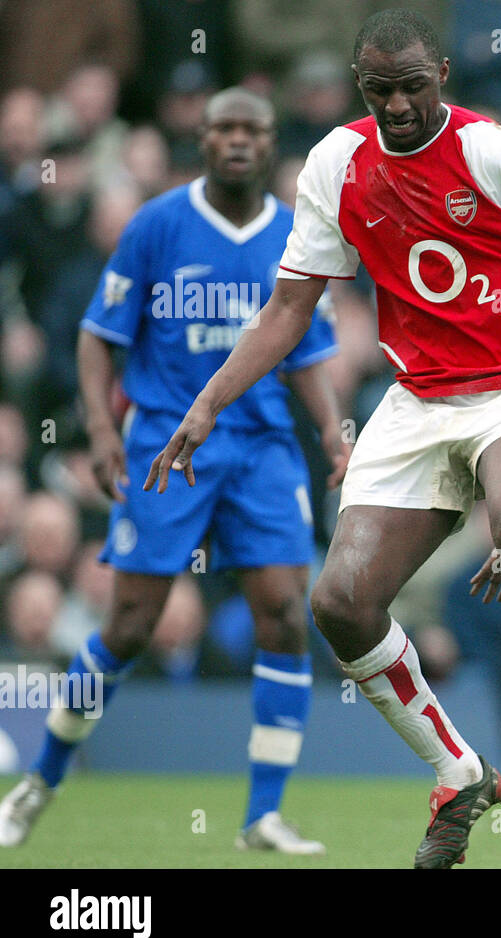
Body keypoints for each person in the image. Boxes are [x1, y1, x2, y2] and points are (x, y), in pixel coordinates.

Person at [144, 9, 501, 869]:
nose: (397, 105)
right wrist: (206, 402)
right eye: (379, 89)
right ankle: (457, 771)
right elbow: (291, 307)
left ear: (440, 72)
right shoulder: (336, 163)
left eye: (411, 86)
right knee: (339, 601)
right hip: (417, 397)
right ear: (362, 85)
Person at [0, 88, 345, 854]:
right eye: (222, 127)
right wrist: (98, 425)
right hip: (166, 444)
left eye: (252, 129)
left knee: (287, 614)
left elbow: (309, 351)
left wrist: (332, 430)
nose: (236, 141)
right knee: (128, 624)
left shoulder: (294, 233)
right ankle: (39, 779)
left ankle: (263, 814)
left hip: (261, 446)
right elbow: (97, 334)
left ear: (268, 142)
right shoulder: (157, 223)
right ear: (202, 135)